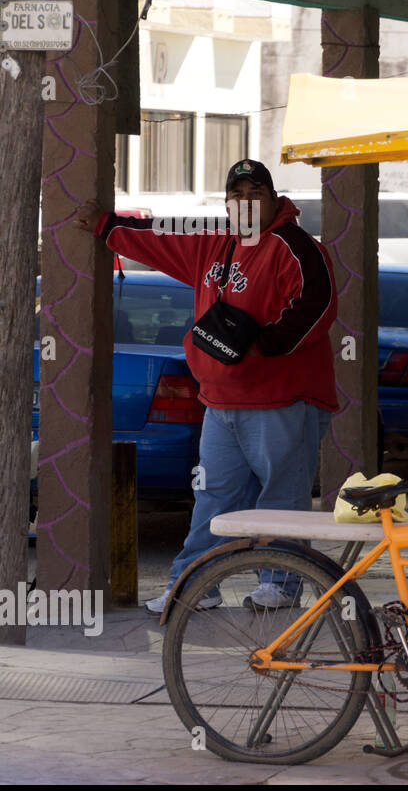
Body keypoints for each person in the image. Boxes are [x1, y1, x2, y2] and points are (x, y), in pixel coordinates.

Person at [73, 159, 339, 614]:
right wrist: (106, 226)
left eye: (255, 192)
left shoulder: (295, 246)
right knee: (212, 497)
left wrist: (264, 345)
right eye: (236, 194)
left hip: (282, 399)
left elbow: (318, 305)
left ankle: (280, 585)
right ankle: (195, 585)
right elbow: (158, 242)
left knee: (281, 496)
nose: (245, 201)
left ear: (273, 198)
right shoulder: (215, 246)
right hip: (219, 402)